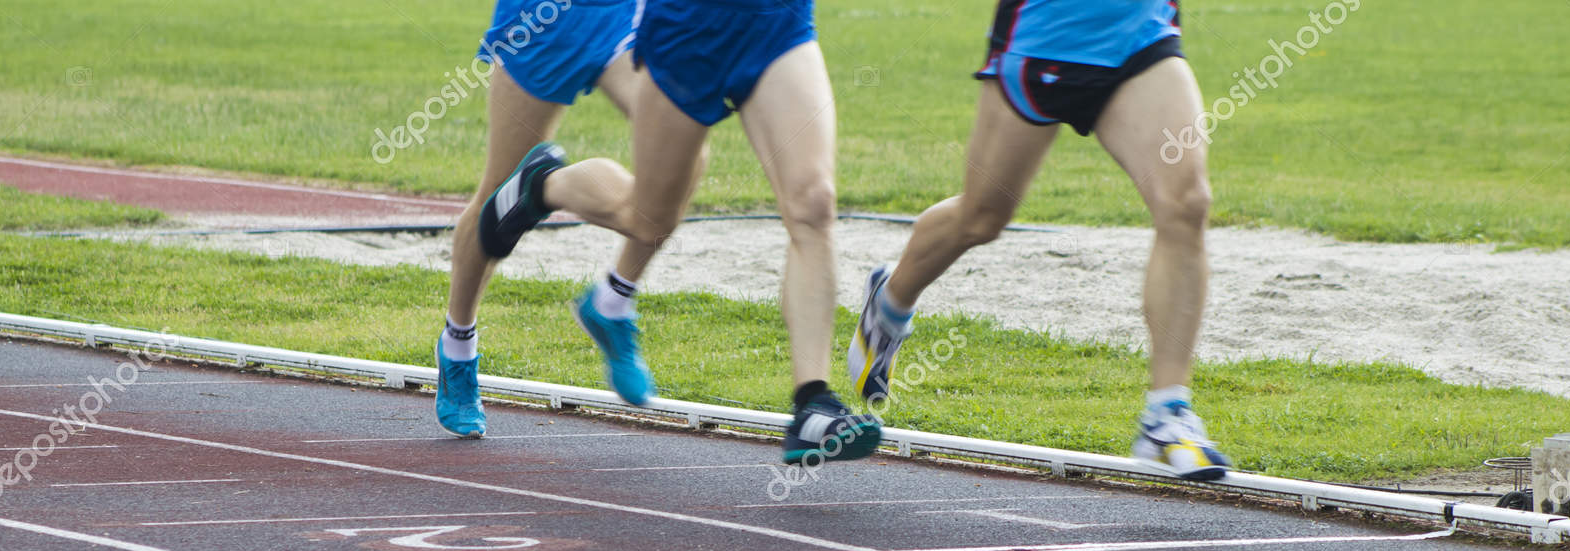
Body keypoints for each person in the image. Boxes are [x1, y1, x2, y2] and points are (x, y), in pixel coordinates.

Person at [479, 0, 882, 466]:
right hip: (685, 32)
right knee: (645, 220)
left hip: (777, 24)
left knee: (813, 204)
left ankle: (813, 404)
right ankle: (544, 184)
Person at [846, 0, 1232, 480]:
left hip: (1140, 37)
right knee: (982, 218)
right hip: (1040, 38)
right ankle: (890, 302)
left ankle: (1166, 415)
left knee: (1186, 204)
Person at [436, 0, 675, 438]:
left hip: (624, 16)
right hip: (541, 17)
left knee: (679, 151)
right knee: (497, 190)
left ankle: (613, 298)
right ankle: (457, 346)